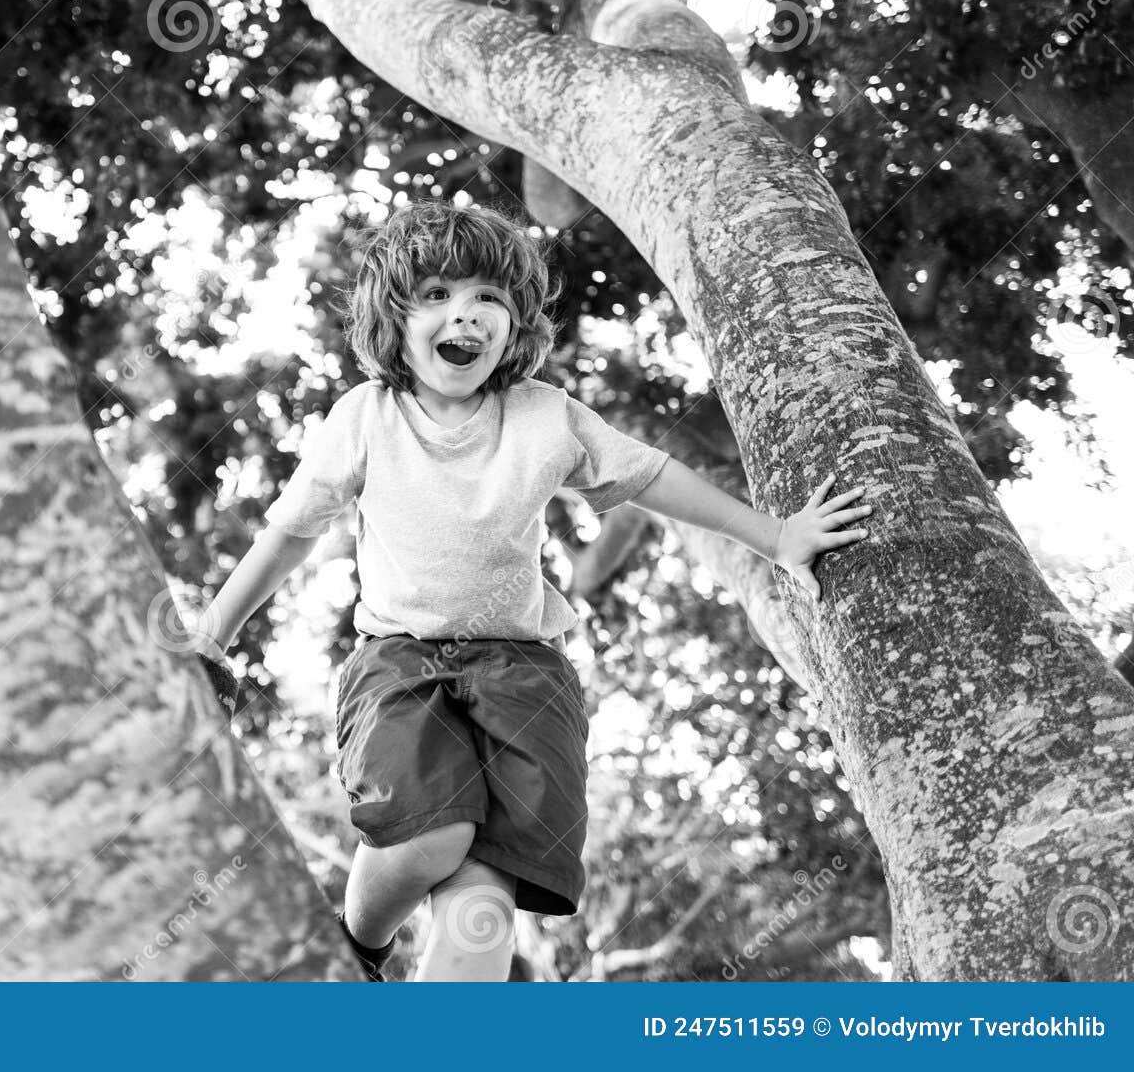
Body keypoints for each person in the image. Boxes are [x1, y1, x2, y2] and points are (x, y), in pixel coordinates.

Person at [192, 198, 872, 981]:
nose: (468, 315)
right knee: (426, 840)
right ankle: (359, 948)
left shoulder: (544, 416)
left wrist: (777, 535)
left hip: (525, 672)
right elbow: (288, 533)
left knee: (482, 918)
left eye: (490, 300)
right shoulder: (366, 418)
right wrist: (212, 635)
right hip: (401, 663)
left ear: (515, 328)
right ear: (394, 317)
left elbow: (652, 477)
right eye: (440, 295)